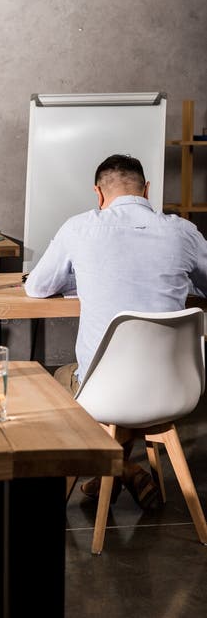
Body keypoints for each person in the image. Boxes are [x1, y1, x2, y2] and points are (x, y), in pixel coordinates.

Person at [25, 153, 207, 509]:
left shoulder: (79, 228)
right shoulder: (182, 231)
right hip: (176, 390)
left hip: (106, 394)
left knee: (62, 377)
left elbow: (37, 287)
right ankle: (121, 472)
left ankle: (120, 469)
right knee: (120, 380)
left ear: (98, 192)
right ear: (147, 190)